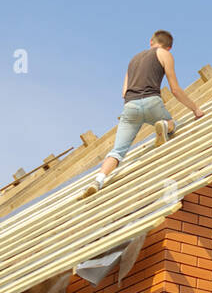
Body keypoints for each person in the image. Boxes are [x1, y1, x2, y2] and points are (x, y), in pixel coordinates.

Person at [82, 30, 205, 198]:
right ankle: (164, 126)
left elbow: (124, 92)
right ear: (169, 48)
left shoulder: (133, 60)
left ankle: (98, 180)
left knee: (117, 151)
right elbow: (174, 89)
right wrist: (195, 109)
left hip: (130, 106)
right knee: (171, 122)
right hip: (151, 101)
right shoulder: (164, 54)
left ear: (150, 42)